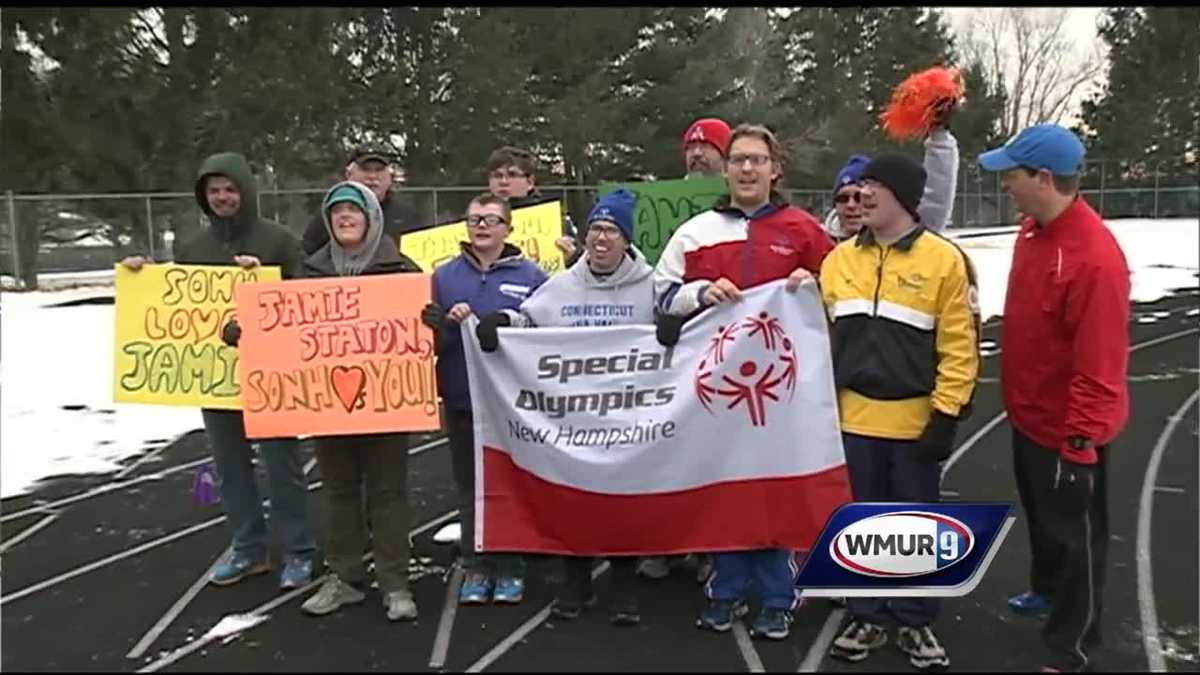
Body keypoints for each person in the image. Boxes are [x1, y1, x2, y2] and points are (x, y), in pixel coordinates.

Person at [653, 123, 835, 640]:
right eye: (738, 160)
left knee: (779, 491)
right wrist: (700, 293)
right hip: (716, 390)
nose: (747, 168)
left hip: (786, 390)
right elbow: (661, 295)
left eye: (757, 159)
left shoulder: (803, 229)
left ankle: (779, 596)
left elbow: (845, 286)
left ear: (776, 170)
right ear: (726, 169)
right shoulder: (695, 231)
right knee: (726, 489)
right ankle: (726, 588)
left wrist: (815, 282)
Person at [120, 152, 316, 589]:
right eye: (214, 191)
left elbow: (304, 297)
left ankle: (299, 550)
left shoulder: (279, 241)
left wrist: (263, 282)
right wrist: (141, 276)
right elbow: (176, 300)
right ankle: (249, 548)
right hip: (215, 375)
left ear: (246, 191)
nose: (223, 197)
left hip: (270, 373)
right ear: (203, 196)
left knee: (281, 465)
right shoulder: (193, 247)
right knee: (230, 467)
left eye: (230, 189)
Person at [818, 152, 980, 670]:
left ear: (904, 198)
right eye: (859, 186)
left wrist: (946, 415)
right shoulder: (837, 261)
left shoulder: (945, 260)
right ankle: (867, 613)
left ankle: (913, 619)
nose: (861, 196)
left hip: (915, 422)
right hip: (852, 421)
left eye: (874, 187)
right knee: (861, 523)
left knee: (915, 526)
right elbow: (817, 335)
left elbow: (960, 346)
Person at [978, 124, 1130, 673]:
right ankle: (1045, 589)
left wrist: (1080, 445)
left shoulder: (1095, 260)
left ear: (1043, 178)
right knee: (1043, 519)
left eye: (1012, 175)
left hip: (1069, 429)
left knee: (1077, 539)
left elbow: (1100, 366)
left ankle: (1073, 647)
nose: (1005, 185)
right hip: (1029, 413)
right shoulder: (1031, 231)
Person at [474, 189, 650, 626]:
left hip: (628, 417)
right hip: (573, 417)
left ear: (627, 239)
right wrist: (500, 322)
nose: (601, 238)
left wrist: (681, 313)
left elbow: (684, 303)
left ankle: (625, 588)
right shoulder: (563, 284)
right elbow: (529, 318)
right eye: (595, 229)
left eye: (611, 230)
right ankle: (576, 583)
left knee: (625, 506)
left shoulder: (650, 284)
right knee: (574, 501)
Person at [421, 193, 549, 605]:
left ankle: (510, 564)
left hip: (512, 403)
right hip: (462, 397)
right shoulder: (443, 277)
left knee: (509, 483)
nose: (481, 226)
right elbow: (427, 343)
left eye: (491, 219)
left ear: (508, 228)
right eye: (474, 218)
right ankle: (476, 563)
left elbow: (546, 334)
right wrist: (440, 324)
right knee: (469, 486)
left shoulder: (533, 276)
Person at [823, 105, 961, 241]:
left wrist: (939, 135)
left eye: (859, 197)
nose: (851, 205)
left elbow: (935, 199)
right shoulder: (821, 243)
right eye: (842, 198)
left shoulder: (907, 239)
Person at [300, 142, 420, 256]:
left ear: (390, 177)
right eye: (365, 169)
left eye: (379, 170)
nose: (372, 176)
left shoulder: (406, 216)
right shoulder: (331, 215)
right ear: (349, 174)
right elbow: (308, 255)